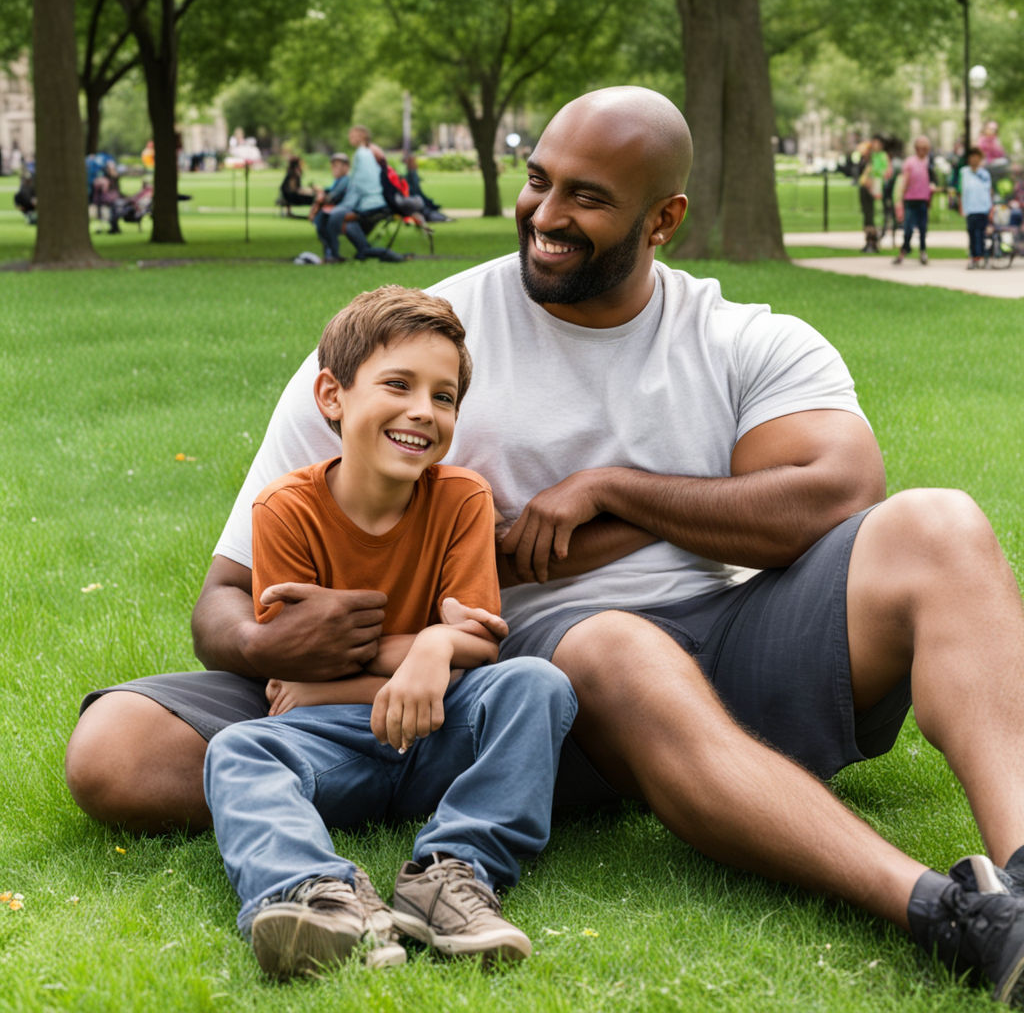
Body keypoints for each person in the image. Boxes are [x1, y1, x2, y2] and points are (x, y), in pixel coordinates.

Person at [67, 86, 1024, 1003]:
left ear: (663, 220)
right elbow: (224, 601)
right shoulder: (415, 349)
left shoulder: (741, 339)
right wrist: (272, 648)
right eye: (540, 180)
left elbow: (841, 490)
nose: (546, 213)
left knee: (938, 524)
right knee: (118, 751)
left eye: (588, 197)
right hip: (515, 683)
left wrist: (618, 495)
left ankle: (1016, 879)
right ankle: (945, 912)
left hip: (737, 638)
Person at [203, 285, 576, 977]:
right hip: (337, 741)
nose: (422, 411)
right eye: (398, 385)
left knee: (536, 682)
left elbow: (480, 646)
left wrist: (440, 647)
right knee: (237, 748)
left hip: (438, 732)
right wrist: (426, 649)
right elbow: (294, 676)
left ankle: (452, 874)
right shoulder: (285, 510)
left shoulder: (463, 498)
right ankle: (321, 896)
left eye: (444, 397)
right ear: (332, 396)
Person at [329, 125, 404, 263]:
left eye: (352, 135)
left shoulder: (361, 154)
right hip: (374, 202)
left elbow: (360, 184)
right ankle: (363, 251)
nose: (349, 138)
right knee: (349, 224)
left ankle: (334, 254)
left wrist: (345, 203)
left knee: (335, 218)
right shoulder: (367, 153)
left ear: (362, 136)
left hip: (369, 205)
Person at [893, 135, 936, 265]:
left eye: (925, 147)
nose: (922, 149)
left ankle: (923, 251)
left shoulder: (929, 163)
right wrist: (900, 197)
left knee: (923, 228)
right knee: (908, 228)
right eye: (920, 147)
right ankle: (904, 249)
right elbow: (904, 180)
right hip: (910, 199)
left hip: (923, 199)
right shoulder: (910, 162)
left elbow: (933, 180)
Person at [310, 153, 350, 263]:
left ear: (346, 167)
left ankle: (332, 254)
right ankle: (330, 254)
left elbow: (333, 196)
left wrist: (322, 196)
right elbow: (330, 191)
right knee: (322, 226)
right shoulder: (339, 180)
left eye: (336, 165)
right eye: (332, 166)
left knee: (324, 226)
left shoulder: (345, 179)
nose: (333, 169)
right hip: (332, 210)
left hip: (338, 210)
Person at [960, 146, 994, 269]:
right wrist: (962, 207)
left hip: (982, 209)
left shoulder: (984, 174)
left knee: (980, 234)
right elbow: (962, 191)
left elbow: (988, 191)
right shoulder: (964, 173)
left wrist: (990, 208)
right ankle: (974, 257)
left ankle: (981, 256)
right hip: (970, 209)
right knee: (972, 234)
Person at [856, 135, 890, 254]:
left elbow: (884, 172)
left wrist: (874, 182)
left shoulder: (882, 156)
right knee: (867, 215)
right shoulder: (869, 156)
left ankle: (874, 241)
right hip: (865, 187)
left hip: (875, 188)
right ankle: (868, 240)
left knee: (875, 215)